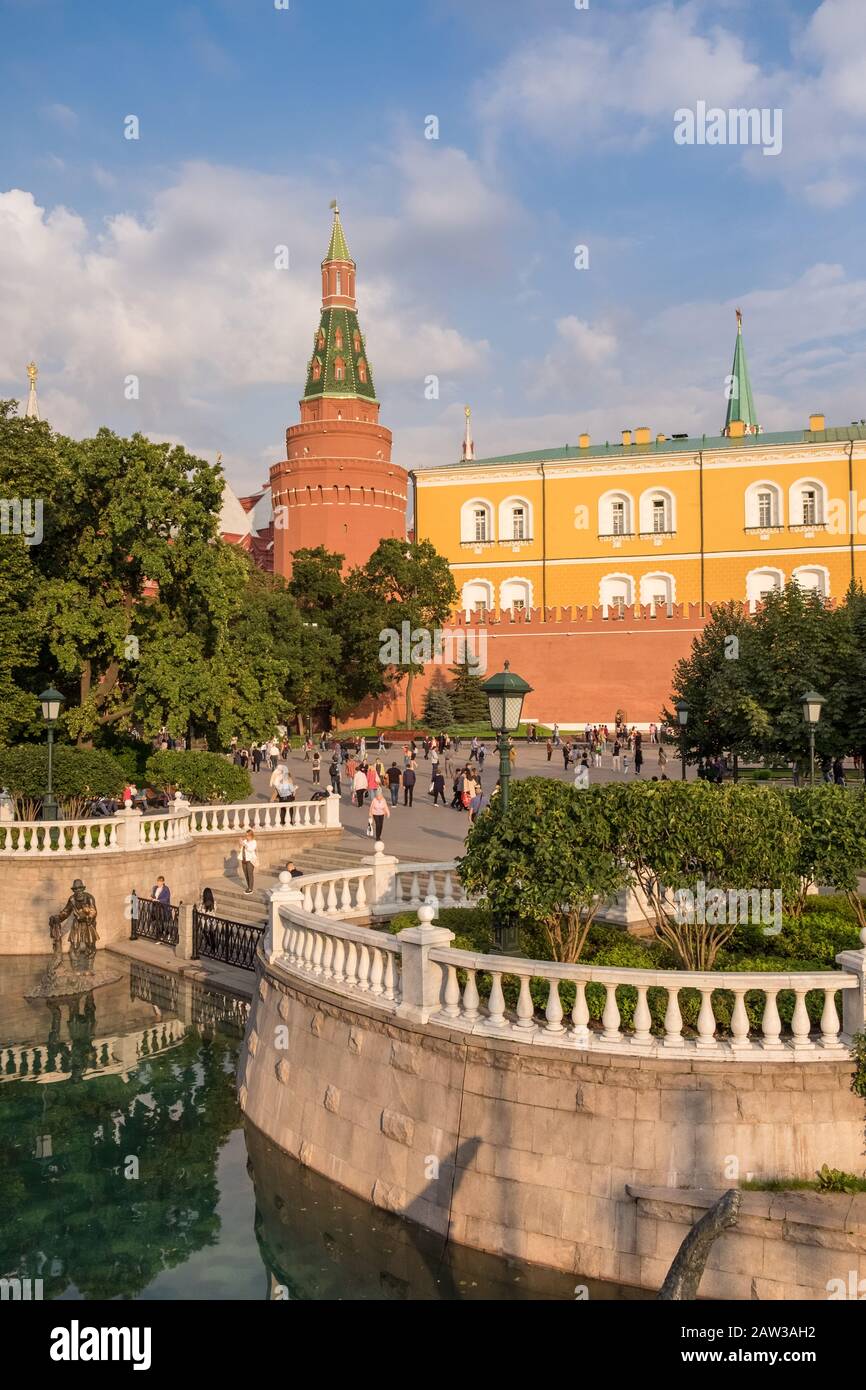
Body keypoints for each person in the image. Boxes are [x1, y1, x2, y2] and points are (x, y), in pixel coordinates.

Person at [239, 829, 258, 895]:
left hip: (250, 860)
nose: (247, 836)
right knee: (246, 874)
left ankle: (250, 889)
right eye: (246, 835)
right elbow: (241, 849)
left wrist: (244, 845)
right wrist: (240, 843)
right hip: (243, 859)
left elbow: (250, 849)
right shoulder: (245, 841)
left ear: (251, 835)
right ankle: (248, 887)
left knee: (250, 874)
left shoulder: (254, 842)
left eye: (248, 835)